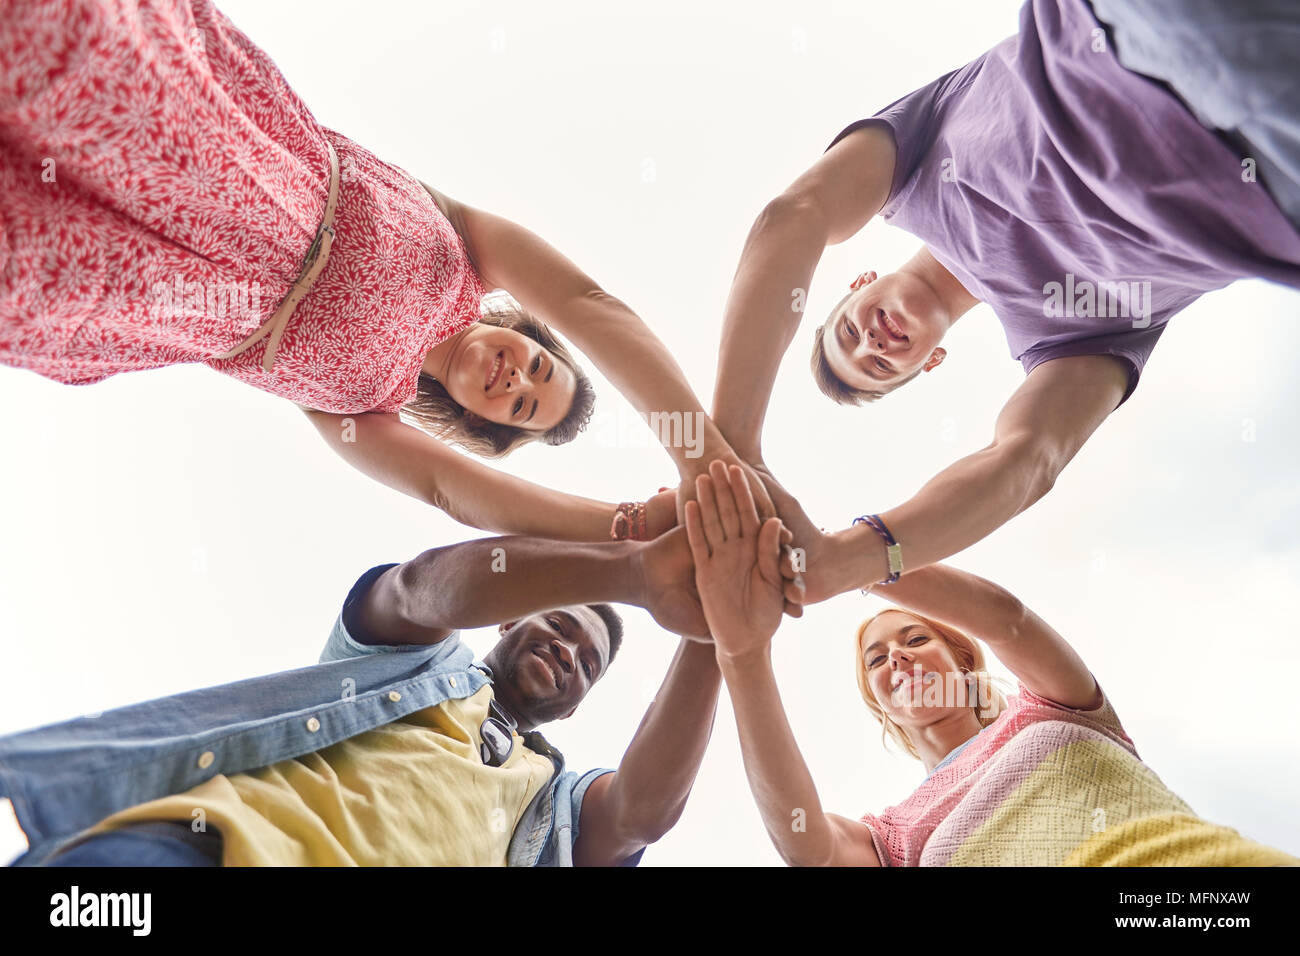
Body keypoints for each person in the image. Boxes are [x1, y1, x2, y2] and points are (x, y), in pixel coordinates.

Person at [0, 0, 764, 544]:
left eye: (523, 407)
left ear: (483, 423)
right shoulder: (472, 251)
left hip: (166, 294)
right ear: (519, 330)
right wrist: (701, 453)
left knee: (24, 262)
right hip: (235, 154)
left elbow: (450, 491)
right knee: (74, 51)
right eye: (537, 364)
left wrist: (623, 525)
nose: (517, 380)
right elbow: (588, 301)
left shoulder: (369, 413)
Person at [709, 0, 1300, 600]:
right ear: (929, 362)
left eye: (849, 334)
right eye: (880, 365)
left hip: (1141, 39)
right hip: (1277, 185)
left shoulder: (906, 172)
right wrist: (846, 562)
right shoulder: (1064, 342)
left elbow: (795, 216)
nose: (873, 343)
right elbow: (1026, 461)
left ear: (857, 284)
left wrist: (728, 454)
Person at [0, 523, 726, 866]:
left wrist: (715, 627)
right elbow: (416, 589)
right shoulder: (412, 664)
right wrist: (628, 570)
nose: (568, 650)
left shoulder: (554, 803)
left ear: (574, 707)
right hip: (211, 849)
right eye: (561, 623)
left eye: (587, 663)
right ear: (513, 619)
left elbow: (641, 814)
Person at [683, 462, 1298, 866]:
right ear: (877, 700)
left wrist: (843, 564)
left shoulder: (1051, 709)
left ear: (961, 657)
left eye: (916, 639)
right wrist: (743, 654)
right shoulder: (892, 837)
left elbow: (1010, 619)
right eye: (877, 658)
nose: (897, 655)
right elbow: (805, 844)